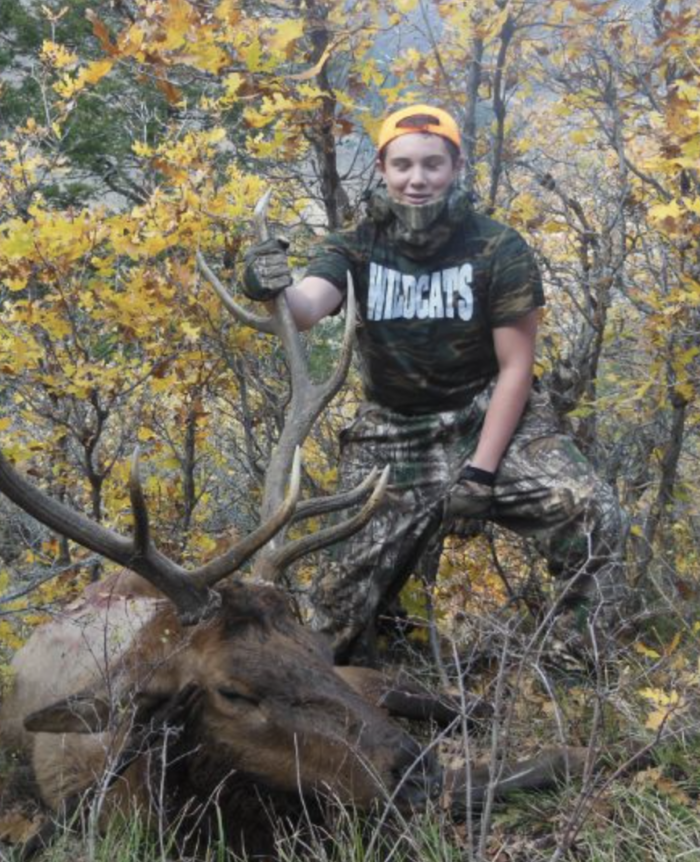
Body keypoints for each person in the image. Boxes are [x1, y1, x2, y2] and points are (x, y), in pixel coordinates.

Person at [242, 104, 627, 666]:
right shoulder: (355, 245)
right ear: (382, 167)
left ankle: (573, 670)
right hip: (392, 434)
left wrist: (481, 473)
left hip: (493, 421)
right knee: (334, 614)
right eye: (402, 165)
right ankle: (381, 656)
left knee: (591, 510)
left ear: (456, 166)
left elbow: (516, 368)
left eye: (432, 164)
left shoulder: (498, 248)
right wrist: (271, 285)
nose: (416, 179)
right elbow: (306, 308)